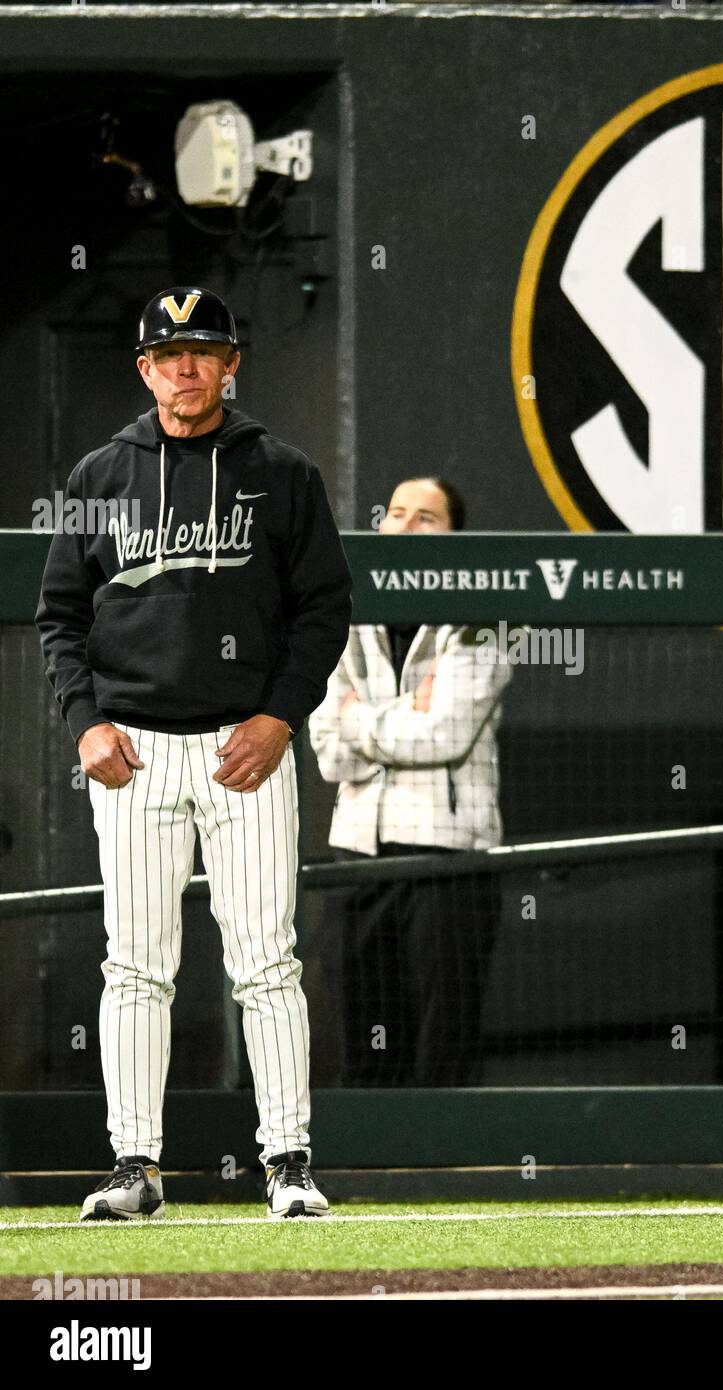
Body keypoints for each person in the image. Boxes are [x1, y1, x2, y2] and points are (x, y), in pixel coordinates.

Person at [34, 286, 352, 1219]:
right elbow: (60, 617)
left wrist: (282, 716)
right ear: (144, 369)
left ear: (230, 364)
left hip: (240, 749)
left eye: (204, 351)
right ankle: (136, 1167)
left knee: (267, 962)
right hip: (133, 750)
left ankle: (287, 1165)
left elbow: (324, 607)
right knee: (135, 966)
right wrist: (85, 721)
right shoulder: (101, 475)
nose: (186, 366)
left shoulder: (280, 471)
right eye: (169, 353)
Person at [308, 478, 511, 1085]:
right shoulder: (340, 615)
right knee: (367, 1035)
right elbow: (327, 754)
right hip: (359, 856)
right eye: (396, 513)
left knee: (442, 1038)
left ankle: (443, 1173)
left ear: (454, 536)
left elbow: (445, 734)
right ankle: (373, 1172)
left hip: (447, 857)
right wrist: (404, 716)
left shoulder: (479, 619)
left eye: (427, 517)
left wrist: (358, 719)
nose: (407, 525)